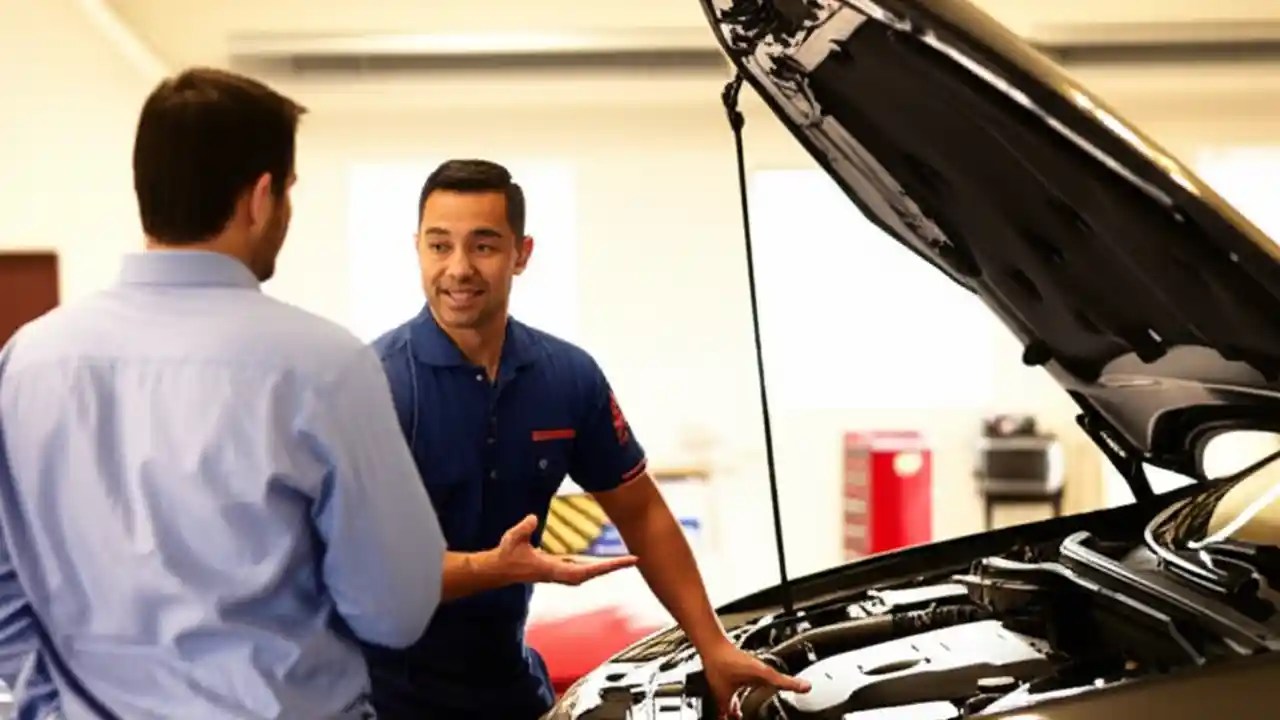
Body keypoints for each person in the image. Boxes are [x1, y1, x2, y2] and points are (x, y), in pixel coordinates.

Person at [0, 67, 447, 720]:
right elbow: (396, 610)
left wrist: (53, 704)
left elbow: (6, 595)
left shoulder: (28, 363)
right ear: (261, 197)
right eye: (289, 191)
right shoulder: (324, 367)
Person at [361, 159, 811, 719]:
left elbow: (642, 512)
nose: (458, 268)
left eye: (483, 246)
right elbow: (370, 577)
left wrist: (712, 643)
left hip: (506, 685)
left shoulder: (566, 378)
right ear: (417, 249)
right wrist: (492, 569)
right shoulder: (371, 385)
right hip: (379, 696)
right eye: (439, 246)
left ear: (521, 254)